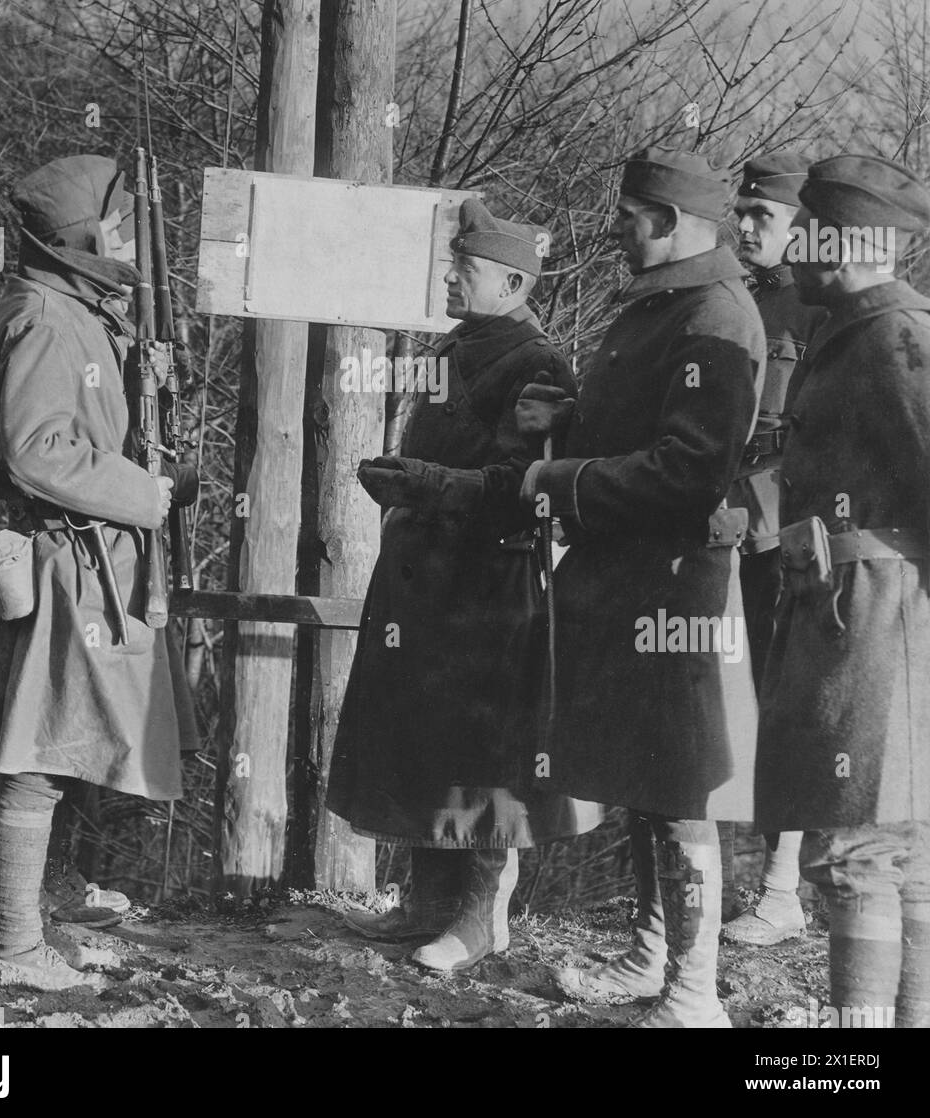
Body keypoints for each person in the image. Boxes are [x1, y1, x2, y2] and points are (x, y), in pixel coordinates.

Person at [0, 154, 198, 991]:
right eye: (116, 229)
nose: (131, 241)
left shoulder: (73, 308)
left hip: (84, 557)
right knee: (38, 753)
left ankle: (41, 917)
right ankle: (13, 946)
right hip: (71, 564)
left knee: (72, 738)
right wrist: (141, 491)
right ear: (79, 240)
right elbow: (32, 445)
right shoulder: (47, 317)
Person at [522, 147, 764, 1027]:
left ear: (666, 224)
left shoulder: (714, 317)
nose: (614, 227)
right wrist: (568, 423)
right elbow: (640, 429)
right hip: (628, 575)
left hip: (673, 582)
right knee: (642, 774)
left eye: (628, 216)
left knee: (677, 784)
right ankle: (653, 955)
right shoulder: (666, 309)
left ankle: (696, 996)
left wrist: (562, 480)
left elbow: (690, 471)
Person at [327, 198, 599, 974]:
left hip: (491, 586)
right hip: (426, 584)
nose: (449, 278)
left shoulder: (538, 364)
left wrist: (432, 484)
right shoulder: (452, 348)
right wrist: (402, 481)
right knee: (423, 742)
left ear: (511, 281)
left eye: (466, 269)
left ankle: (481, 918)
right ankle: (425, 904)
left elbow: (529, 483)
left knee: (486, 756)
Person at [756, 153, 930, 1029]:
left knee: (863, 844)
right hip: (856, 609)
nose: (797, 250)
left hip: (882, 618)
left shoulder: (900, 340)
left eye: (812, 232)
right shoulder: (856, 329)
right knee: (896, 847)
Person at [721, 153, 826, 947]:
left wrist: (763, 516)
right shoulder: (733, 301)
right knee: (723, 707)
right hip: (714, 529)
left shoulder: (822, 313)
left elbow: (819, 442)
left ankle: (784, 890)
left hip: (784, 541)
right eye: (743, 213)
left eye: (763, 217)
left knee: (786, 703)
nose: (745, 226)